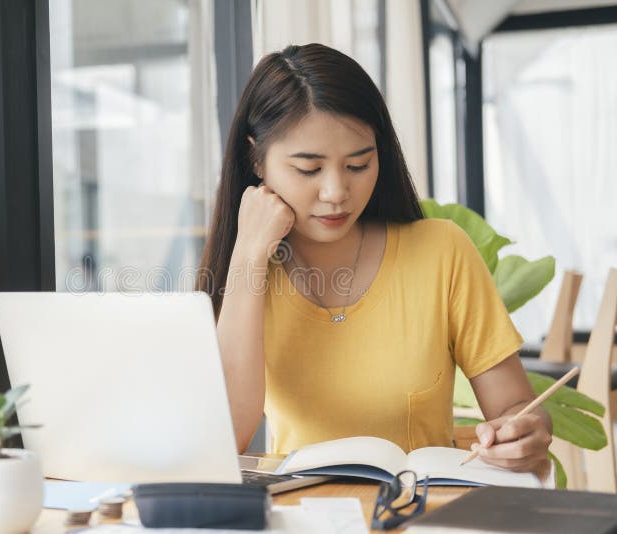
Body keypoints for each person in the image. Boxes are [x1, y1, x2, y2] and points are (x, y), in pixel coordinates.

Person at [196, 43, 551, 474]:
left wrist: (523, 432)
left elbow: (514, 407)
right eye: (308, 169)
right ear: (256, 158)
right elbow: (226, 436)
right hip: (304, 517)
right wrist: (249, 253)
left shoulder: (442, 251)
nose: (336, 193)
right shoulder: (249, 273)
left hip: (420, 512)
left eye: (359, 164)